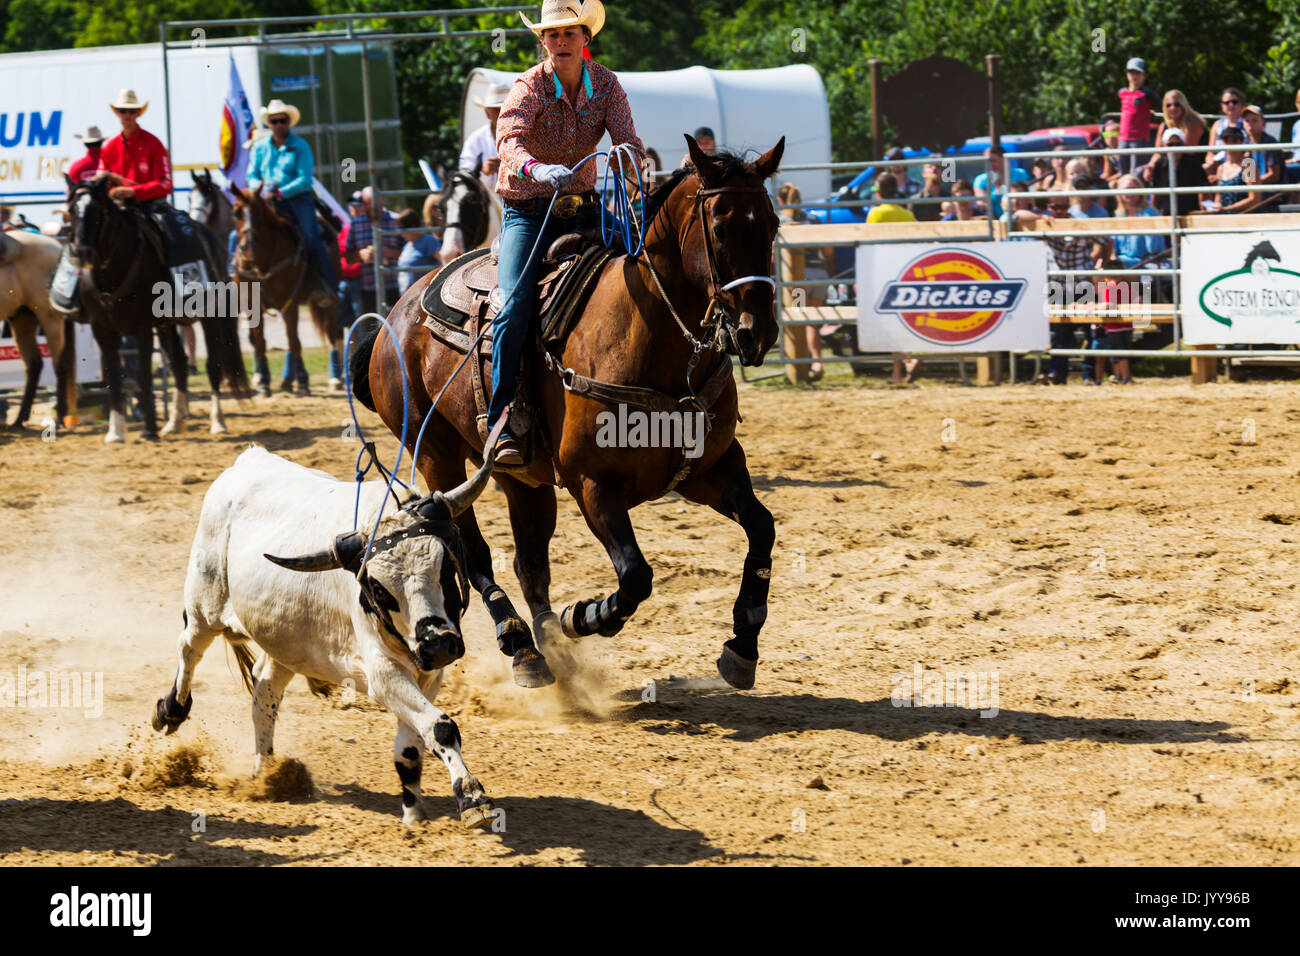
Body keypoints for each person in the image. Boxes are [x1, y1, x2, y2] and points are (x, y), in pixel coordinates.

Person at [490, 0, 644, 466]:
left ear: (585, 40)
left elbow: (628, 140)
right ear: (542, 42)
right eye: (552, 35)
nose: (560, 41)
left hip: (582, 208)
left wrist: (632, 163)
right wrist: (538, 169)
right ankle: (501, 417)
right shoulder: (529, 86)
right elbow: (508, 140)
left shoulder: (608, 85)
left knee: (646, 266)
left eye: (569, 34)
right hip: (529, 210)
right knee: (514, 306)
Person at [246, 98, 336, 295]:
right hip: (266, 199)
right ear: (269, 124)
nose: (278, 124)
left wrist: (279, 192)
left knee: (311, 236)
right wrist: (259, 191)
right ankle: (235, 276)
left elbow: (304, 179)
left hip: (296, 199)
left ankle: (326, 286)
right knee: (242, 232)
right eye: (274, 121)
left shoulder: (301, 146)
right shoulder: (260, 147)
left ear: (288, 122)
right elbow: (251, 175)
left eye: (282, 120)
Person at [777, 182, 829, 381]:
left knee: (799, 320)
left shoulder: (783, 221)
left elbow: (774, 254)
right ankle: (817, 361)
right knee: (813, 323)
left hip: (799, 278)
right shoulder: (813, 219)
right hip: (820, 275)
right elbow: (828, 250)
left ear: (781, 201)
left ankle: (803, 366)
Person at [96, 89, 172, 204]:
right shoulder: (109, 147)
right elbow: (98, 180)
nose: (127, 115)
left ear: (138, 113)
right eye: (122, 110)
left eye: (132, 111)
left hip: (150, 206)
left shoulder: (154, 144)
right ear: (117, 113)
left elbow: (165, 184)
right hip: (117, 207)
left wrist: (133, 191)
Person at [344, 184, 403, 316]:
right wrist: (360, 255)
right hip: (369, 287)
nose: (376, 209)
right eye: (371, 206)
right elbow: (348, 257)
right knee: (373, 329)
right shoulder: (356, 223)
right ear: (364, 205)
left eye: (378, 205)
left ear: (383, 201)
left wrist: (391, 253)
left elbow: (411, 251)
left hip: (395, 285)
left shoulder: (396, 220)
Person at [460, 83, 510, 195]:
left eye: (505, 108)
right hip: (485, 204)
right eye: (497, 110)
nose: (502, 114)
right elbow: (465, 172)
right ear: (487, 113)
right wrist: (482, 170)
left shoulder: (524, 135)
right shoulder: (475, 140)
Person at [1201, 125, 1261, 213]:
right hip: (1225, 218)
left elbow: (1255, 198)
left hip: (1246, 217)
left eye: (1234, 140)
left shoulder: (1249, 165)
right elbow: (1218, 198)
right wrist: (1216, 207)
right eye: (1226, 140)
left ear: (1241, 142)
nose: (1229, 143)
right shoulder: (1221, 168)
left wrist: (1228, 209)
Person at [1117, 57, 1157, 175]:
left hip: (1139, 138)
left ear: (1144, 76)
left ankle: (1139, 193)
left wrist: (1150, 114)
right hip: (1123, 137)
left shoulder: (1147, 93)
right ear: (1127, 74)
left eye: (1137, 73)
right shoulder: (1122, 92)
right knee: (1122, 171)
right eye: (1131, 72)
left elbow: (1162, 104)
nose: (1134, 76)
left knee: (1137, 172)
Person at [1241, 104, 1283, 212]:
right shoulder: (1246, 146)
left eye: (1254, 120)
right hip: (1256, 192)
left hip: (1271, 194)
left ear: (1263, 123)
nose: (1250, 124)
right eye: (1247, 121)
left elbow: (1274, 175)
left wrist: (1252, 186)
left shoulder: (1270, 142)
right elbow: (1248, 177)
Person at [972, 146, 1030, 218]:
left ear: (1004, 159)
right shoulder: (981, 180)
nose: (990, 164)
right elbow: (981, 203)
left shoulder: (1020, 174)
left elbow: (1026, 199)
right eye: (987, 161)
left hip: (1017, 216)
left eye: (993, 160)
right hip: (992, 219)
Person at [1205, 86, 1247, 179]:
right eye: (1227, 102)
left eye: (1234, 102)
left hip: (1242, 165)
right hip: (1221, 167)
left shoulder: (1248, 124)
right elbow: (1210, 152)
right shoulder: (1217, 125)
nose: (1231, 105)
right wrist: (1210, 162)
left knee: (1249, 169)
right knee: (1203, 176)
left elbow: (1252, 151)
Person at [395, 208, 441, 294]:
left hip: (423, 296)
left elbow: (444, 260)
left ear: (412, 226)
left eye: (402, 229)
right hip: (407, 297)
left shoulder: (429, 240)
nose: (401, 233)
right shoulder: (407, 245)